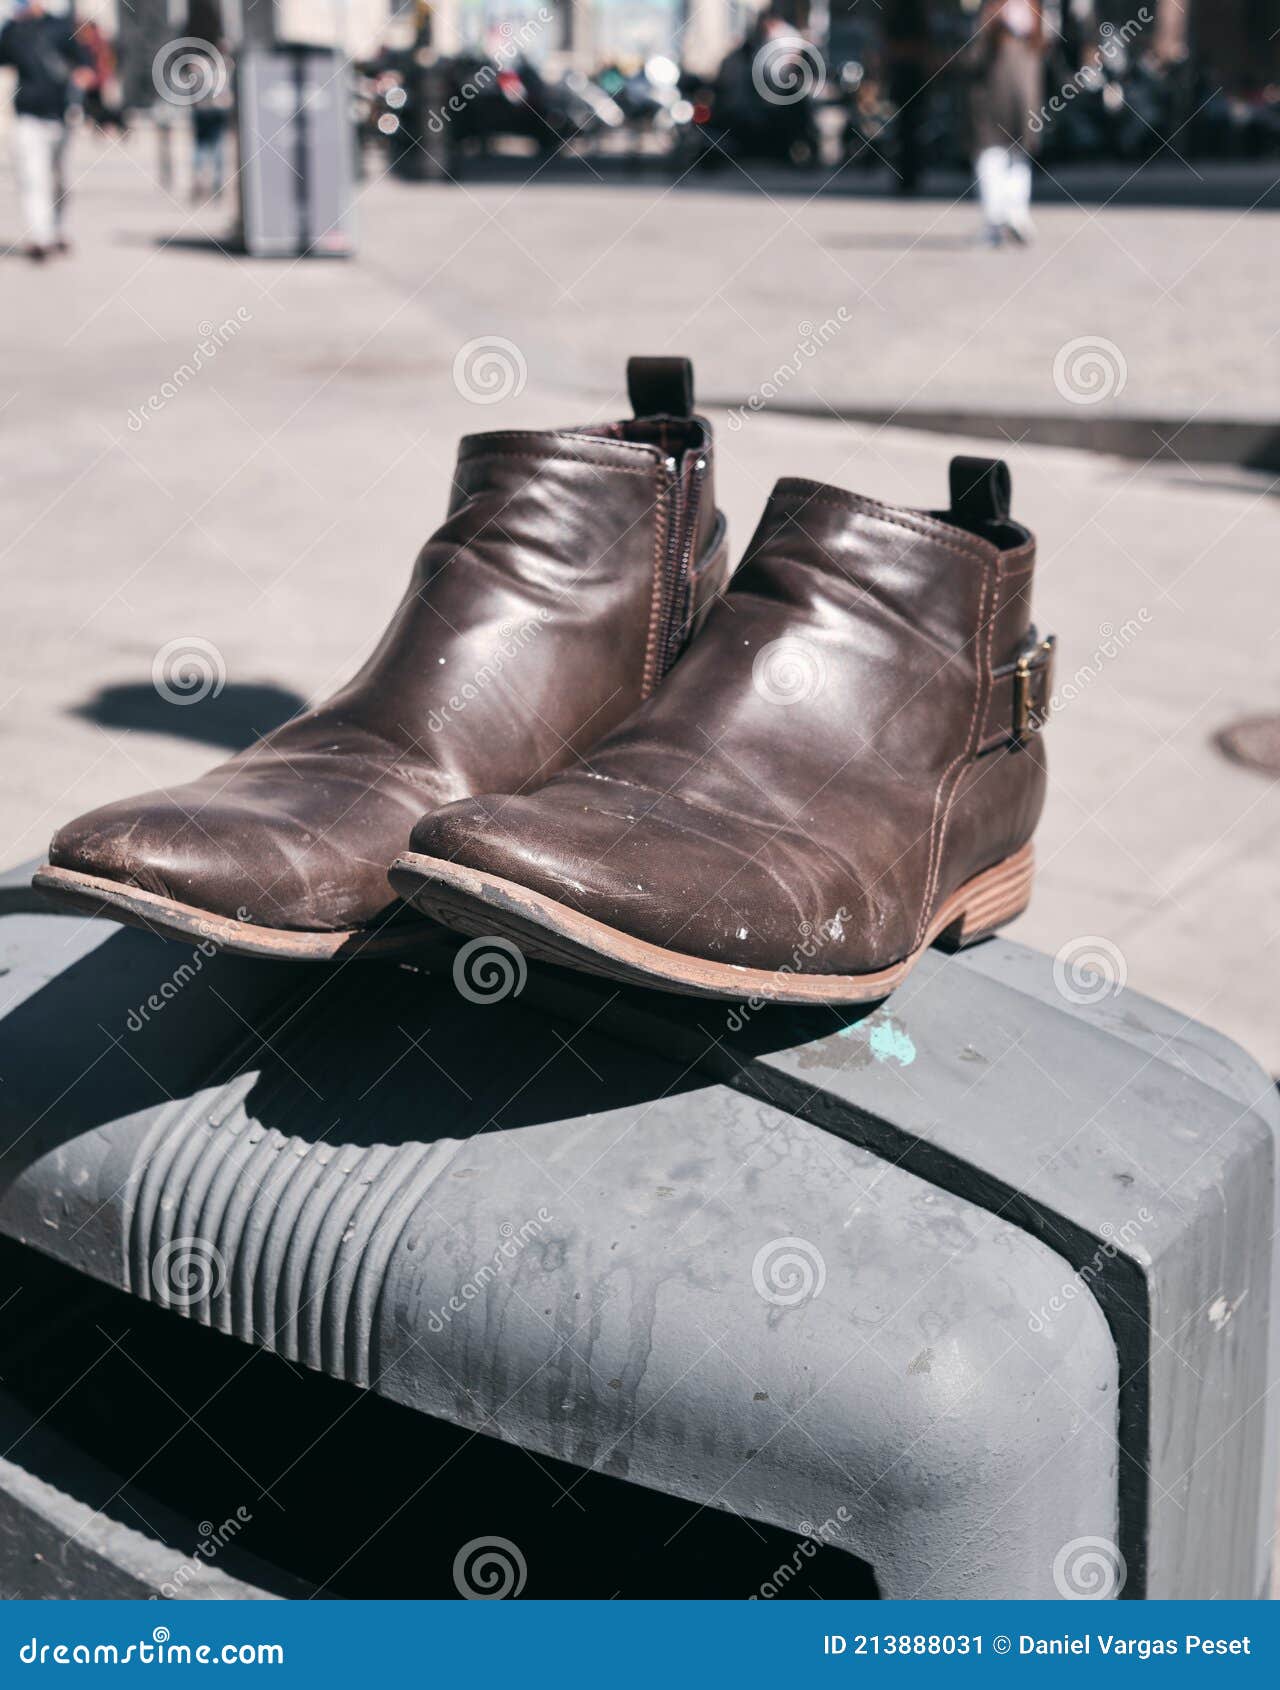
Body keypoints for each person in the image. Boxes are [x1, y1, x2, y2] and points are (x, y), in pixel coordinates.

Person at [0, 0, 94, 261]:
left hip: (59, 115)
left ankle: (57, 228)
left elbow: (84, 60)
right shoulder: (13, 31)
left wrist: (83, 75)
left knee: (60, 180)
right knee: (32, 177)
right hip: (27, 115)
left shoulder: (61, 28)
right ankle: (40, 237)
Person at [969, 0, 1046, 245]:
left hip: (995, 92)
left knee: (991, 153)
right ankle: (1016, 213)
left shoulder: (993, 11)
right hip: (1026, 94)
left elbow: (974, 56)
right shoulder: (1033, 11)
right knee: (1018, 154)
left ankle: (997, 218)